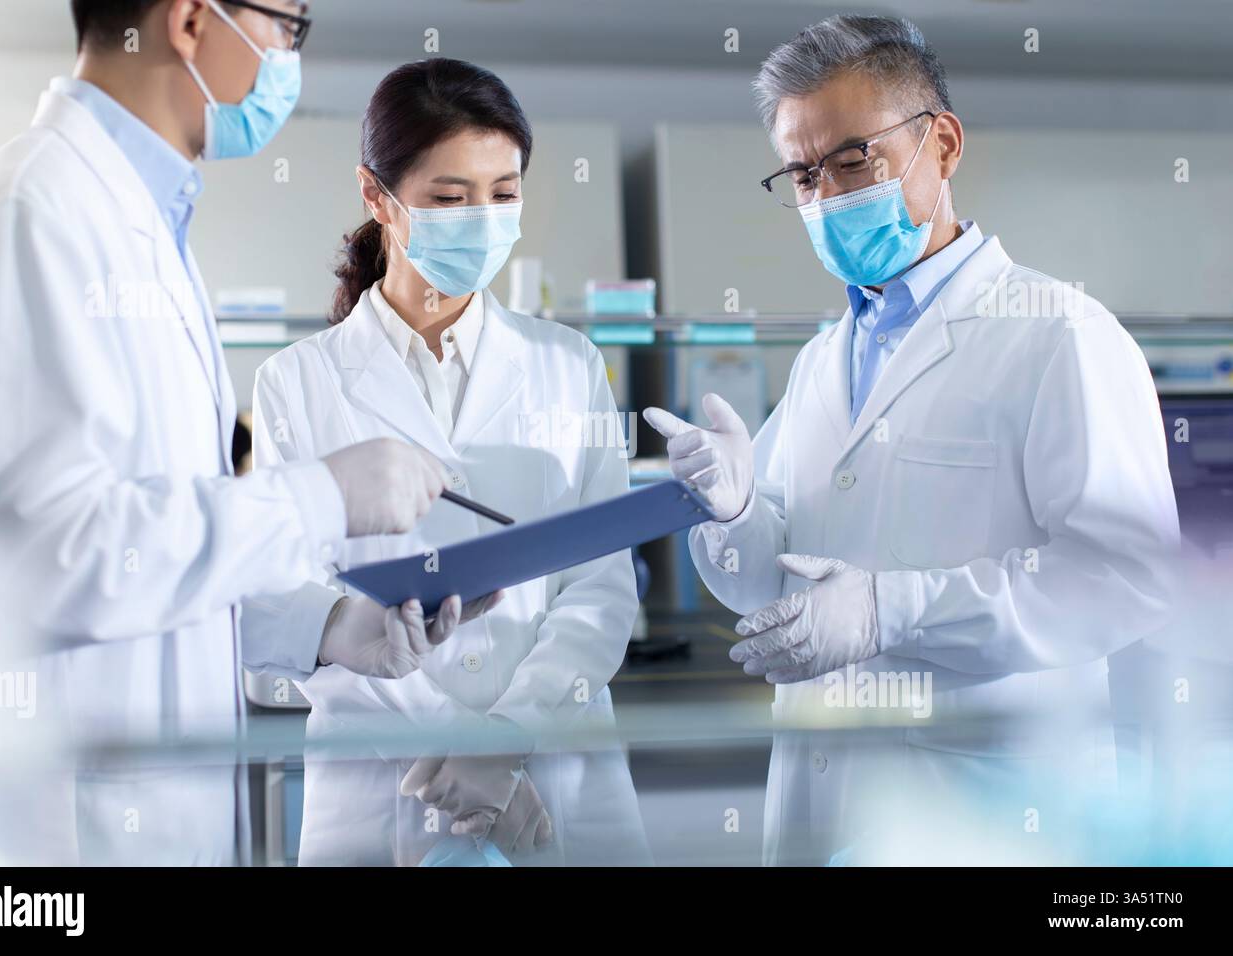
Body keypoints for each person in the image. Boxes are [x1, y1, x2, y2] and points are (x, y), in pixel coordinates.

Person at [0, 0, 475, 866]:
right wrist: (323, 496)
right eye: (287, 26)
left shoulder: (142, 227)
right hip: (60, 847)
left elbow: (161, 551)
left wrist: (331, 627)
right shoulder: (30, 218)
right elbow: (50, 561)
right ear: (190, 22)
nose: (288, 58)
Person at [644, 15, 1180, 865]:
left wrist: (894, 610)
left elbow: (1125, 575)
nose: (825, 196)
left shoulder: (1058, 333)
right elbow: (770, 586)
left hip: (987, 814)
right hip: (823, 802)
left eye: (854, 158)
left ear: (944, 144)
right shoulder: (828, 357)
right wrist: (734, 509)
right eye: (802, 173)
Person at [244, 57, 650, 865]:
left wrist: (505, 741)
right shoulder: (295, 383)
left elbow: (600, 588)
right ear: (376, 196)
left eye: (504, 194)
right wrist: (452, 752)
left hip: (557, 780)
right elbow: (281, 598)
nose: (483, 218)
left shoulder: (568, 365)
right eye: (450, 198)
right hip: (380, 795)